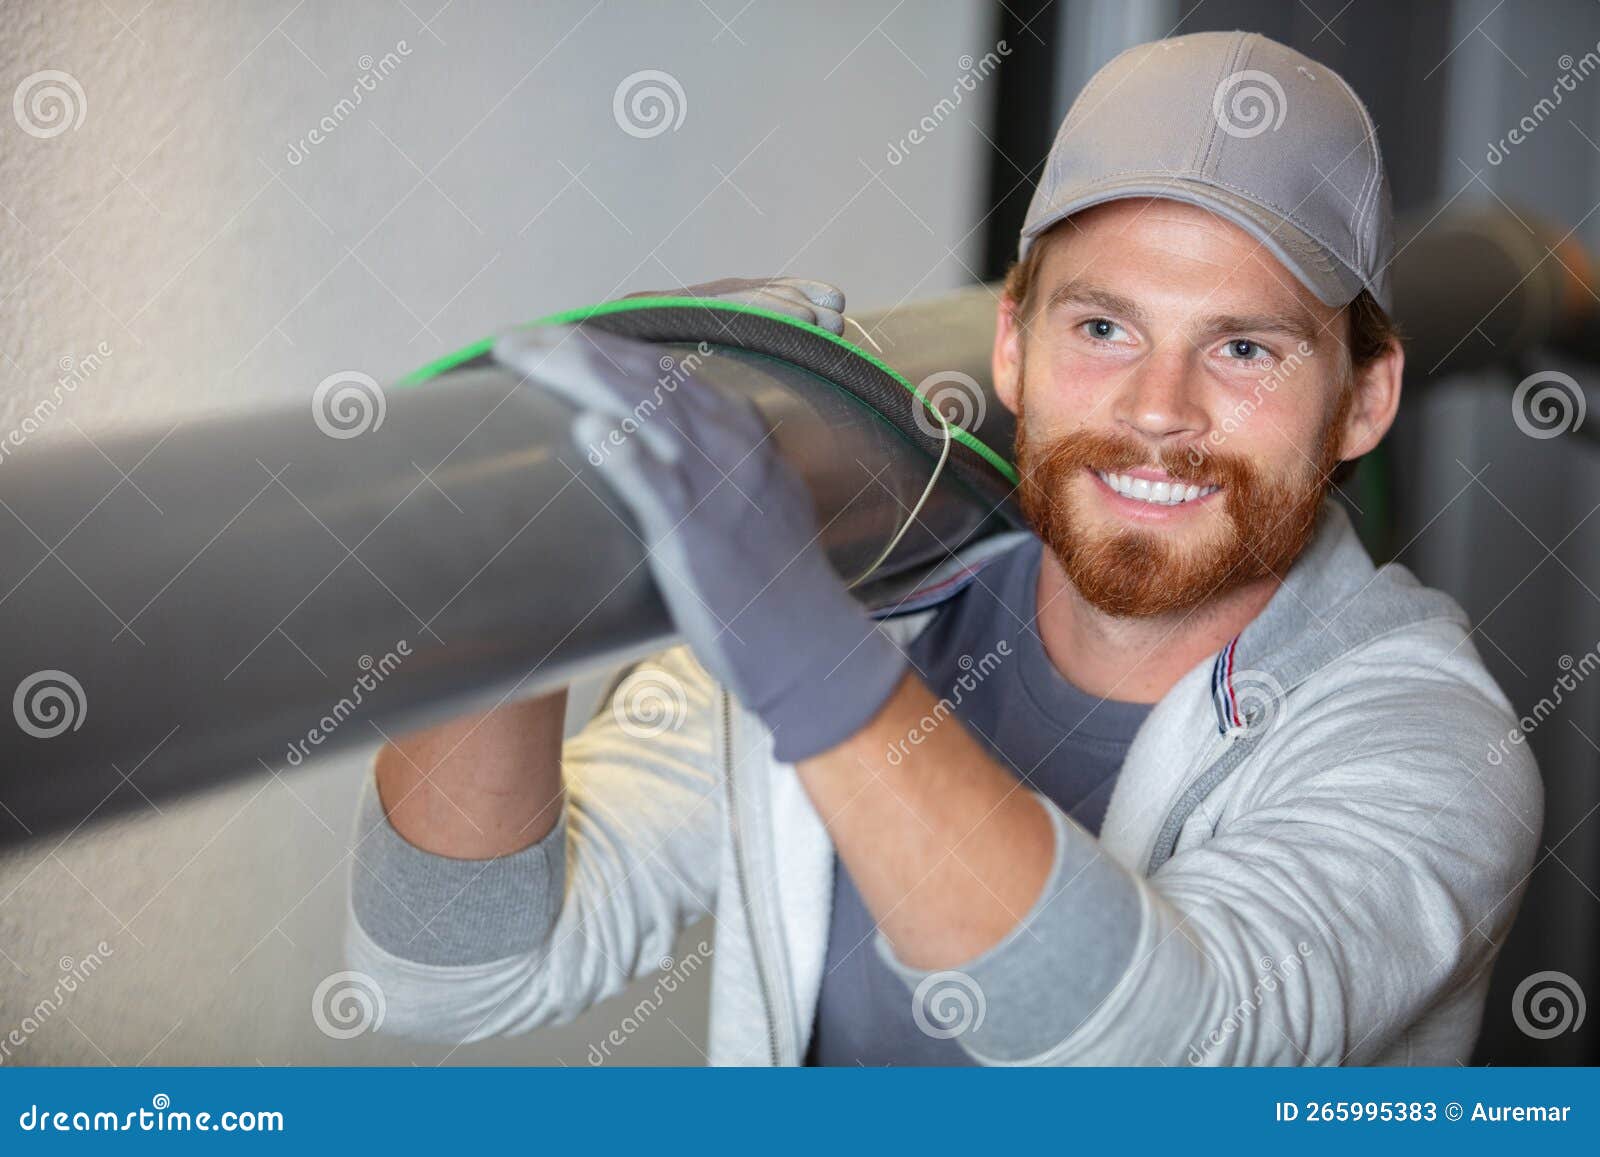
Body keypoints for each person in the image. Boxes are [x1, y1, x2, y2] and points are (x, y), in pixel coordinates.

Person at [343, 30, 1542, 1066]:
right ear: (1013, 346)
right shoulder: (885, 607)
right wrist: (523, 553)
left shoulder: (1425, 739)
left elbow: (1168, 1055)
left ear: (1365, 397)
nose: (1157, 409)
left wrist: (805, 658)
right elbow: (460, 975)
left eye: (1243, 349)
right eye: (1103, 326)